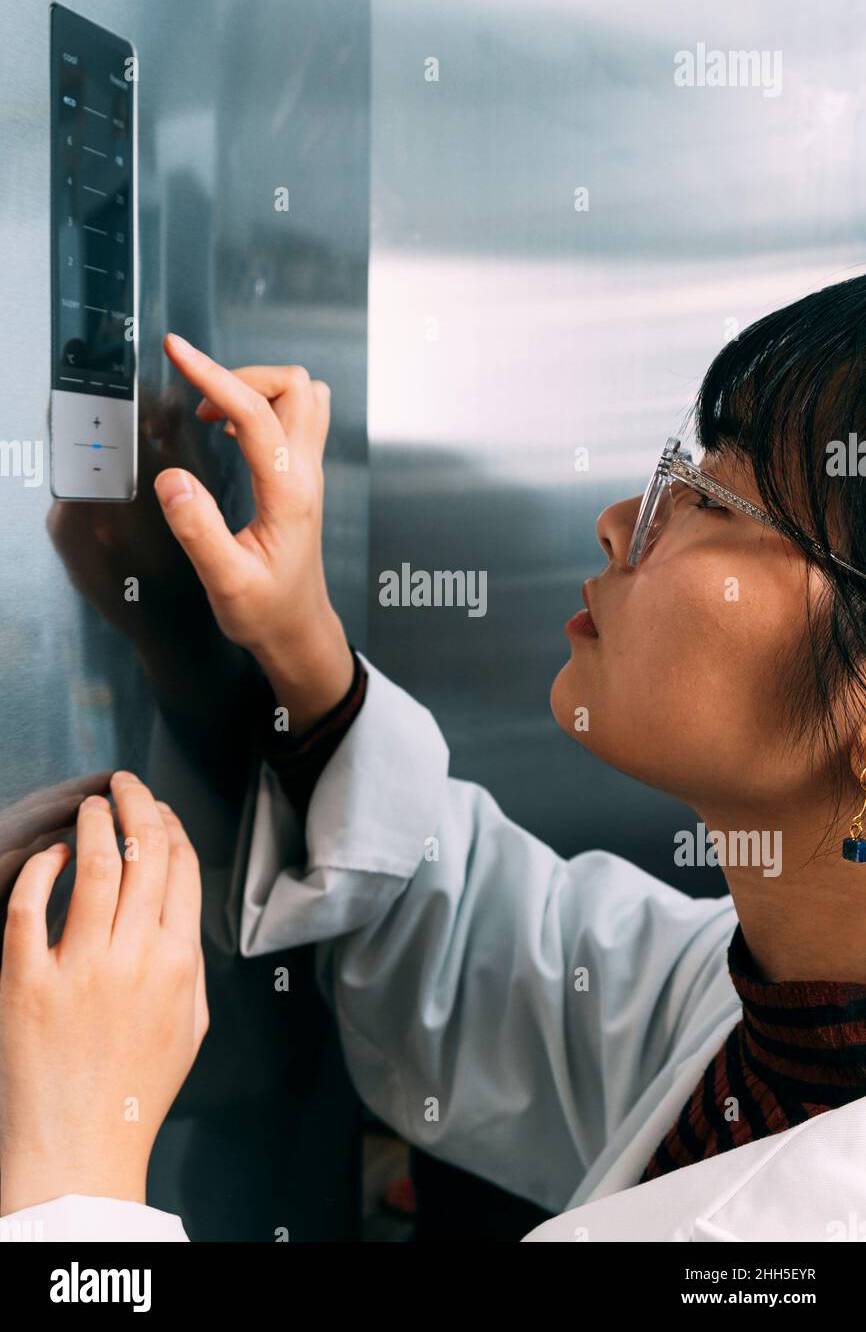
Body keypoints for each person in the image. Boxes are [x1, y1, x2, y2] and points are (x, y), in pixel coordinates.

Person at [6, 276, 866, 1241]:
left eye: (707, 498)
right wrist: (292, 642)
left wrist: (70, 1176)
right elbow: (489, 965)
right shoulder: (778, 1010)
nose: (621, 522)